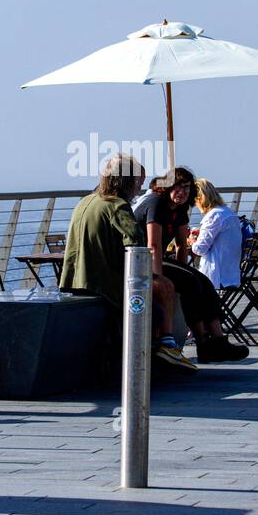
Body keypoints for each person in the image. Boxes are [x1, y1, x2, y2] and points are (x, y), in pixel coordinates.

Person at [60, 154, 193, 373]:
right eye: (138, 183)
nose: (139, 190)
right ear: (126, 182)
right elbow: (139, 247)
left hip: (73, 281)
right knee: (156, 312)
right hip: (103, 286)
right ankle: (149, 362)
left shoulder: (86, 201)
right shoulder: (118, 207)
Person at [133, 168, 249, 363]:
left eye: (186, 188)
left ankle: (217, 340)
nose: (183, 192)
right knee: (191, 282)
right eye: (177, 187)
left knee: (202, 281)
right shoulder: (157, 204)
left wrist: (183, 270)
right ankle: (203, 343)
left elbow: (181, 245)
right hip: (138, 259)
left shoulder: (180, 210)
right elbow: (152, 245)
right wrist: (160, 278)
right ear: (167, 187)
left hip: (156, 258)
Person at [189, 178, 241, 290]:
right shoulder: (229, 213)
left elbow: (199, 249)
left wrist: (191, 241)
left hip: (215, 276)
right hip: (231, 275)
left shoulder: (213, 216)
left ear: (200, 199)